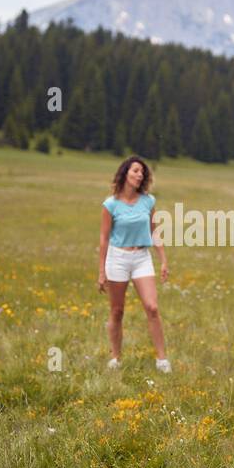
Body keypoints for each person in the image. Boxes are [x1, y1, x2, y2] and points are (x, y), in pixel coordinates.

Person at [98, 156, 170, 373]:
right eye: (136, 171)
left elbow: (154, 232)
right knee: (117, 311)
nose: (140, 175)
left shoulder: (148, 202)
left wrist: (164, 260)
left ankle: (162, 360)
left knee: (152, 307)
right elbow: (104, 239)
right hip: (117, 258)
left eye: (142, 172)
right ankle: (116, 358)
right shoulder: (110, 205)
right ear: (125, 173)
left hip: (141, 258)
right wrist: (101, 271)